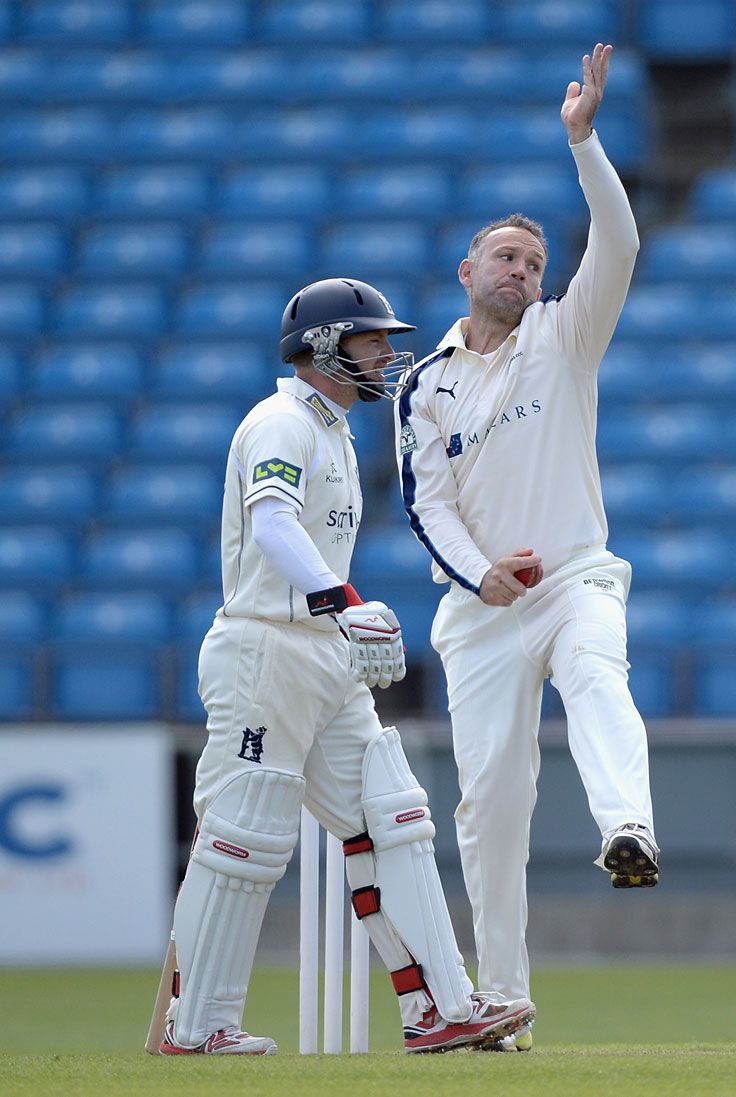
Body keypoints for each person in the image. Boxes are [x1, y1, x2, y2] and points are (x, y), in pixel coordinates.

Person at [159, 278, 534, 1056]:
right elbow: (271, 523)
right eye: (372, 341)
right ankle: (197, 1026)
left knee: (393, 815)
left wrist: (341, 613)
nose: (388, 355)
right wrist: (343, 598)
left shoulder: (338, 430)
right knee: (244, 840)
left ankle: (441, 1008)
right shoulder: (279, 421)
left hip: (324, 653)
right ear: (326, 347)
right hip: (264, 650)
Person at [394, 45, 659, 1049]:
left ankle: (628, 825)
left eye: (535, 262)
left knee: (598, 663)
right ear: (468, 271)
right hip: (479, 612)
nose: (523, 271)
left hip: (577, 574)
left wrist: (583, 144)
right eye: (506, 258)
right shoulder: (427, 383)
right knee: (490, 808)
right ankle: (501, 1001)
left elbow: (622, 247)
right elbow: (431, 507)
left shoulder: (566, 334)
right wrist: (483, 573)